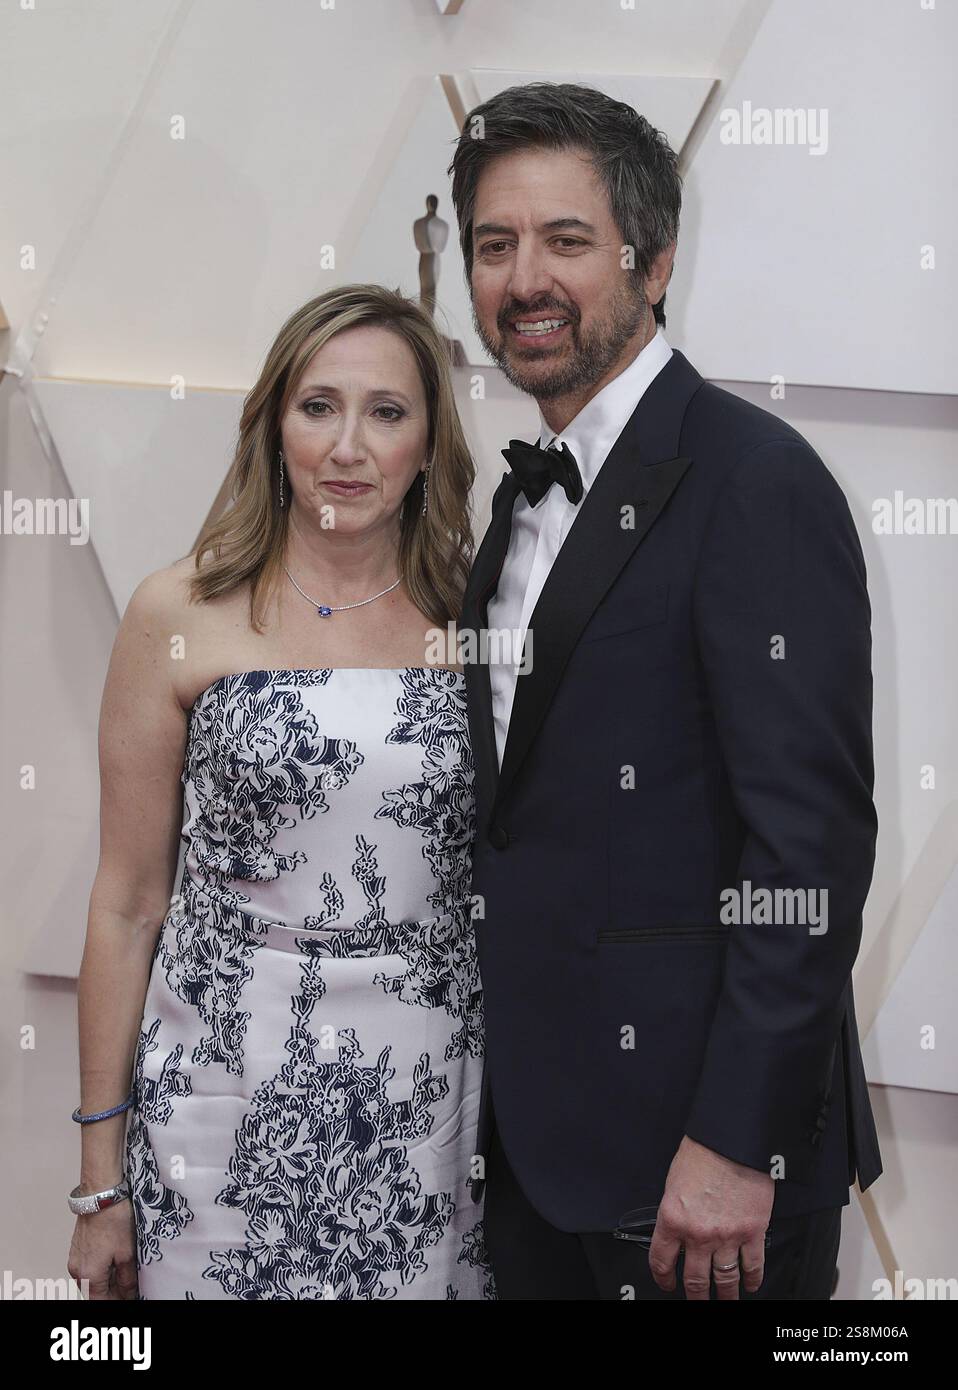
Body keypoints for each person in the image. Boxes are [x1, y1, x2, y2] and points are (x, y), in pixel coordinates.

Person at [449, 82, 882, 1300]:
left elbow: (808, 847)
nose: (524, 277)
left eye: (566, 240)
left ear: (654, 261)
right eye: (495, 244)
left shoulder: (755, 482)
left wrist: (738, 1141)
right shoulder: (517, 500)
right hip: (540, 1157)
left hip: (703, 1179)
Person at [67, 284, 495, 1300]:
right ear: (272, 428)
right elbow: (127, 906)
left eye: (386, 412)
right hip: (216, 1105)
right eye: (318, 406)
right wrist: (98, 1183)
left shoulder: (482, 616)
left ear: (429, 443)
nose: (348, 445)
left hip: (422, 1105)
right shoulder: (179, 610)